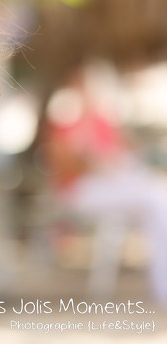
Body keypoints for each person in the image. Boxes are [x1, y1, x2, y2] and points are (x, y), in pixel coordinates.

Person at [42, 62, 167, 304]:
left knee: (157, 201)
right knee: (155, 197)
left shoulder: (101, 118)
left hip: (114, 186)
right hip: (80, 191)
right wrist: (92, 160)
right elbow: (62, 164)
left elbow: (126, 150)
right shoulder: (65, 116)